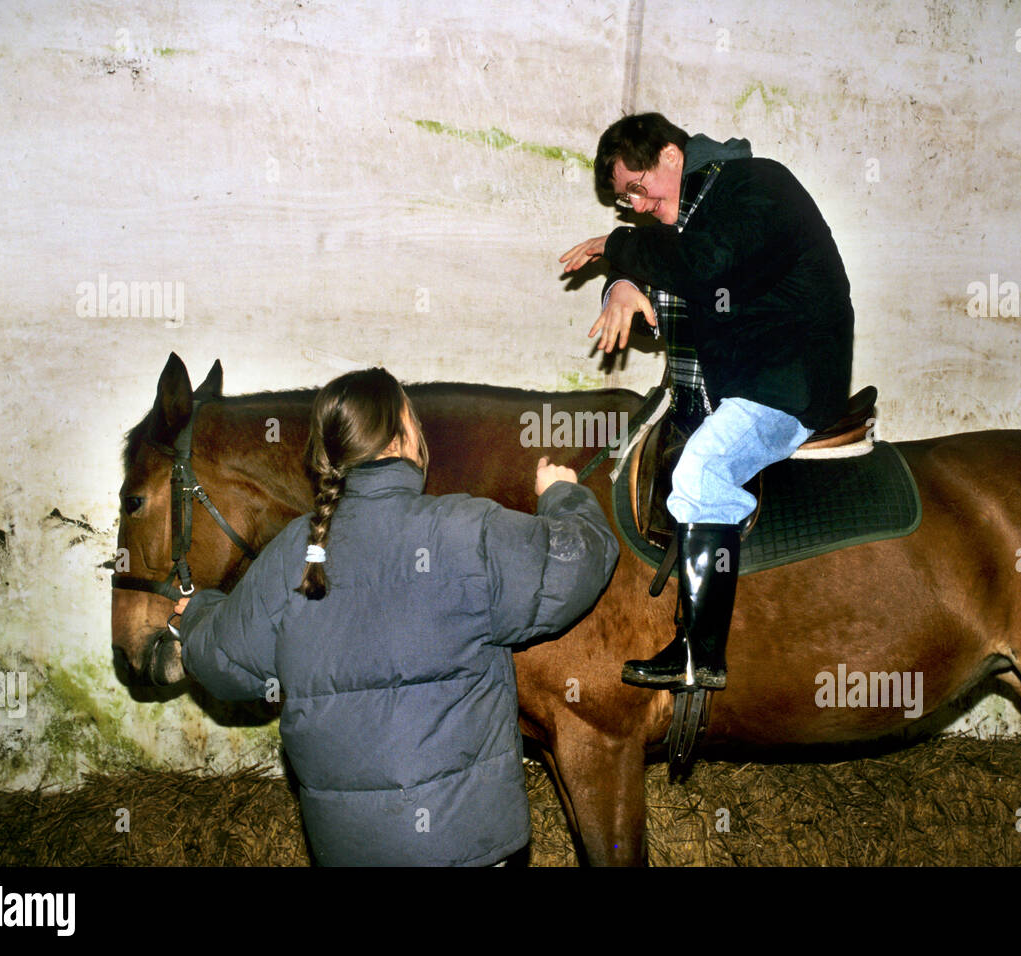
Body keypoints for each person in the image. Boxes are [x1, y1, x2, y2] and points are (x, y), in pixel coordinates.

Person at [173, 368, 619, 866]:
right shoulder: (465, 531)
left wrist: (198, 617)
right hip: (469, 847)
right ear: (405, 430)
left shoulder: (293, 554)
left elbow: (222, 660)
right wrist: (563, 495)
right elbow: (577, 561)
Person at [559, 112, 854, 692]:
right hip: (722, 388)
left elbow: (702, 265)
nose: (637, 205)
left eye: (637, 188)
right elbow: (667, 261)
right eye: (626, 202)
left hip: (786, 384)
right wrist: (620, 281)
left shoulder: (755, 186)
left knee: (700, 470)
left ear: (673, 155)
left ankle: (700, 654)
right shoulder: (695, 217)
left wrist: (621, 246)